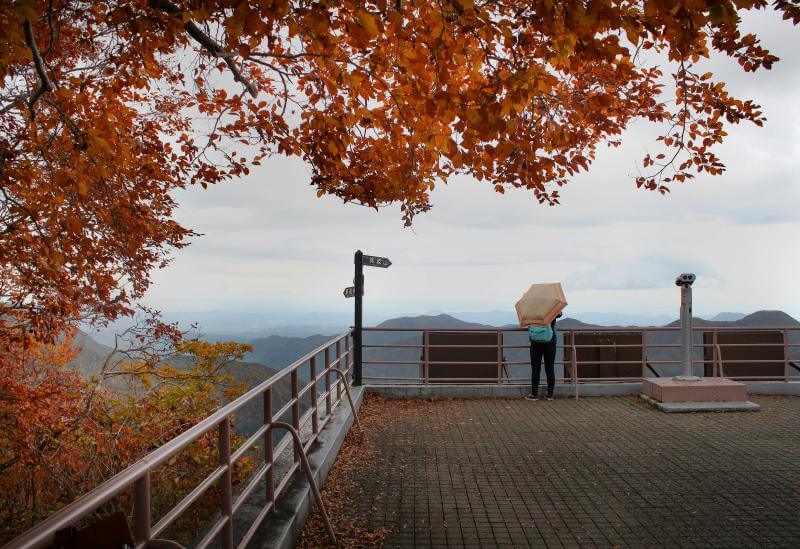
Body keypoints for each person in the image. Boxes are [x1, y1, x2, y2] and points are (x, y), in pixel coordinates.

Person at [526, 312, 562, 401]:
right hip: (550, 341)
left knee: (535, 368)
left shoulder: (532, 309)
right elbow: (560, 314)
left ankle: (534, 394)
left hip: (535, 342)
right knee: (550, 368)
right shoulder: (552, 307)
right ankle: (549, 394)